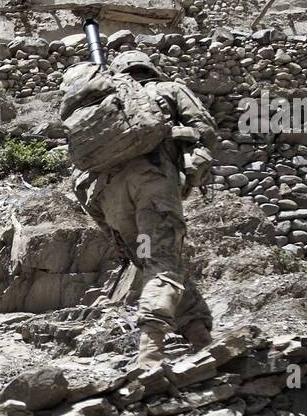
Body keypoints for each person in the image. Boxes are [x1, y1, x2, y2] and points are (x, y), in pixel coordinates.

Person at [73, 50, 216, 369]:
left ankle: (198, 334)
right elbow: (205, 130)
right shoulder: (169, 89)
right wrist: (194, 169)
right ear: (150, 69)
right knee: (163, 262)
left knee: (154, 261)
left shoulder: (103, 108)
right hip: (151, 182)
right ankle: (150, 351)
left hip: (111, 198)